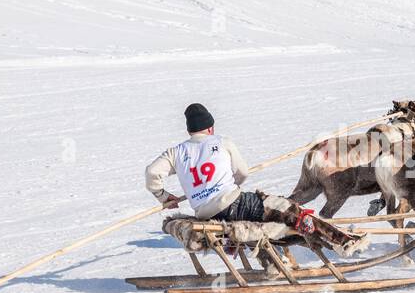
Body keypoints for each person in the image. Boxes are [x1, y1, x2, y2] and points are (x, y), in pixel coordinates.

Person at [144, 103, 366, 253]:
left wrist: (164, 197)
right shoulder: (222, 142)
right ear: (210, 127)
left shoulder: (176, 152)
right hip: (236, 203)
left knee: (271, 224)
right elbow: (243, 173)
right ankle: (343, 242)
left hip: (204, 214)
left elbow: (152, 172)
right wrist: (229, 185)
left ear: (190, 131)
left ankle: (276, 259)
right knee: (290, 209)